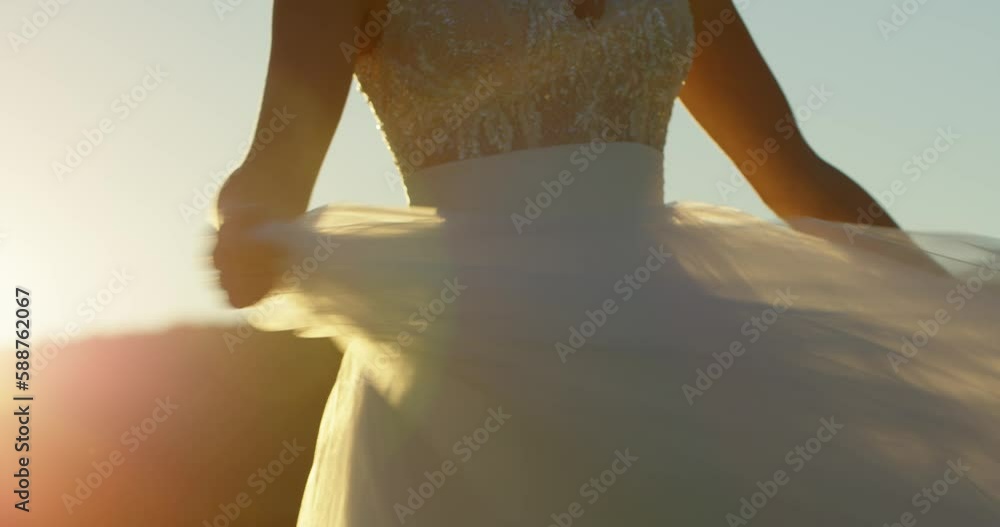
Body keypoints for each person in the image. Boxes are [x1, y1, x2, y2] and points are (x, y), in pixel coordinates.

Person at [213, 1, 1000, 525]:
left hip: (681, 360)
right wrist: (247, 221)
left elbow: (792, 167)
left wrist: (958, 317)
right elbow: (276, 161)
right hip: (464, 378)